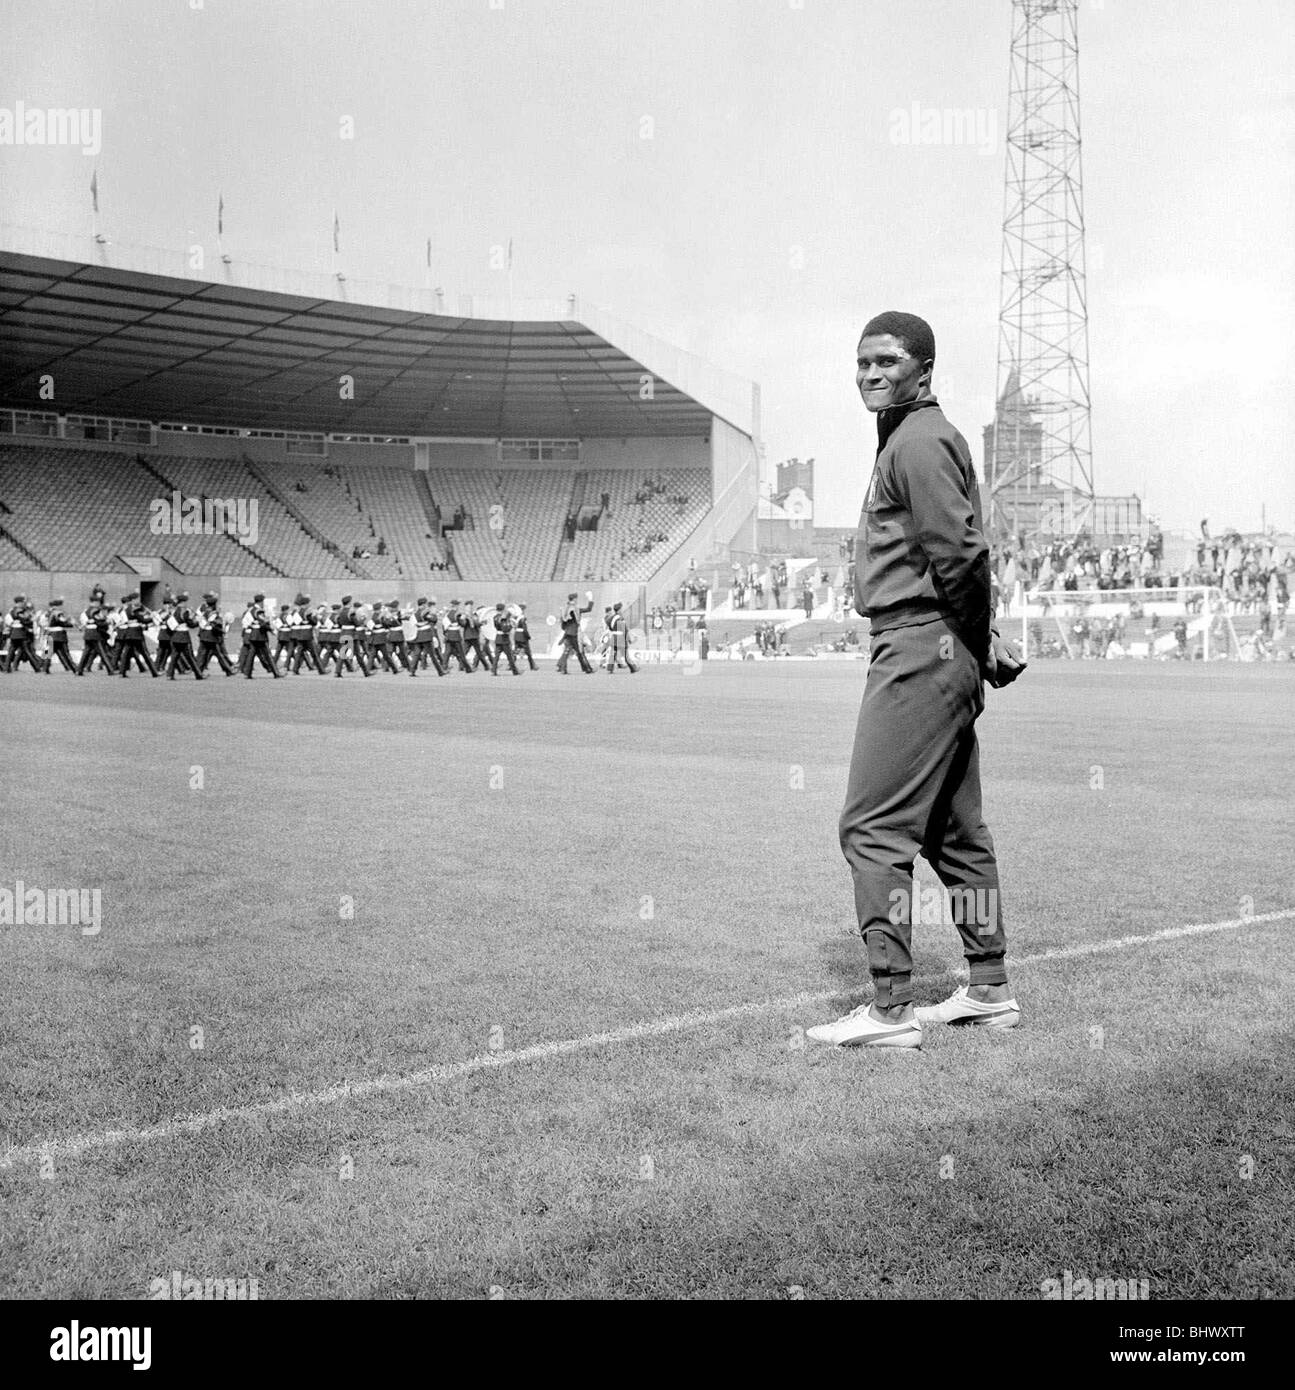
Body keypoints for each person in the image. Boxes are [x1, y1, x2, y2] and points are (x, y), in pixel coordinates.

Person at [808, 310, 1026, 1051]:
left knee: (870, 827)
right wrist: (977, 643)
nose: (869, 374)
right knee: (952, 830)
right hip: (936, 644)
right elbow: (956, 556)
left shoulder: (920, 440)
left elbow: (962, 556)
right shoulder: (910, 438)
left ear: (922, 371)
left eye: (886, 362)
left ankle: (890, 1007)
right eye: (861, 362)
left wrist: (969, 639)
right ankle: (988, 987)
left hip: (918, 647)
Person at [556, 591, 595, 674]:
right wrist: (590, 599)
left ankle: (563, 668)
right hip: (574, 633)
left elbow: (563, 623)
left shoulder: (564, 609)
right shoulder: (575, 609)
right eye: (576, 599)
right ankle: (587, 669)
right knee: (580, 652)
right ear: (574, 599)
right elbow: (589, 609)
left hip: (567, 632)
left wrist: (565, 630)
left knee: (567, 651)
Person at [491, 602, 520, 676]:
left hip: (498, 638)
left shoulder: (495, 617)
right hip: (504, 639)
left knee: (496, 657)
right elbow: (505, 628)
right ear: (503, 609)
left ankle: (493, 671)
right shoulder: (503, 618)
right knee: (510, 657)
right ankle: (515, 671)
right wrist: (511, 626)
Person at [513, 603, 537, 670]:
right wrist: (529, 637)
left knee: (515, 651)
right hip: (522, 637)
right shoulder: (522, 618)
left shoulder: (515, 617)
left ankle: (511, 665)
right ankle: (532, 666)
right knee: (528, 653)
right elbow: (525, 629)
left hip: (516, 636)